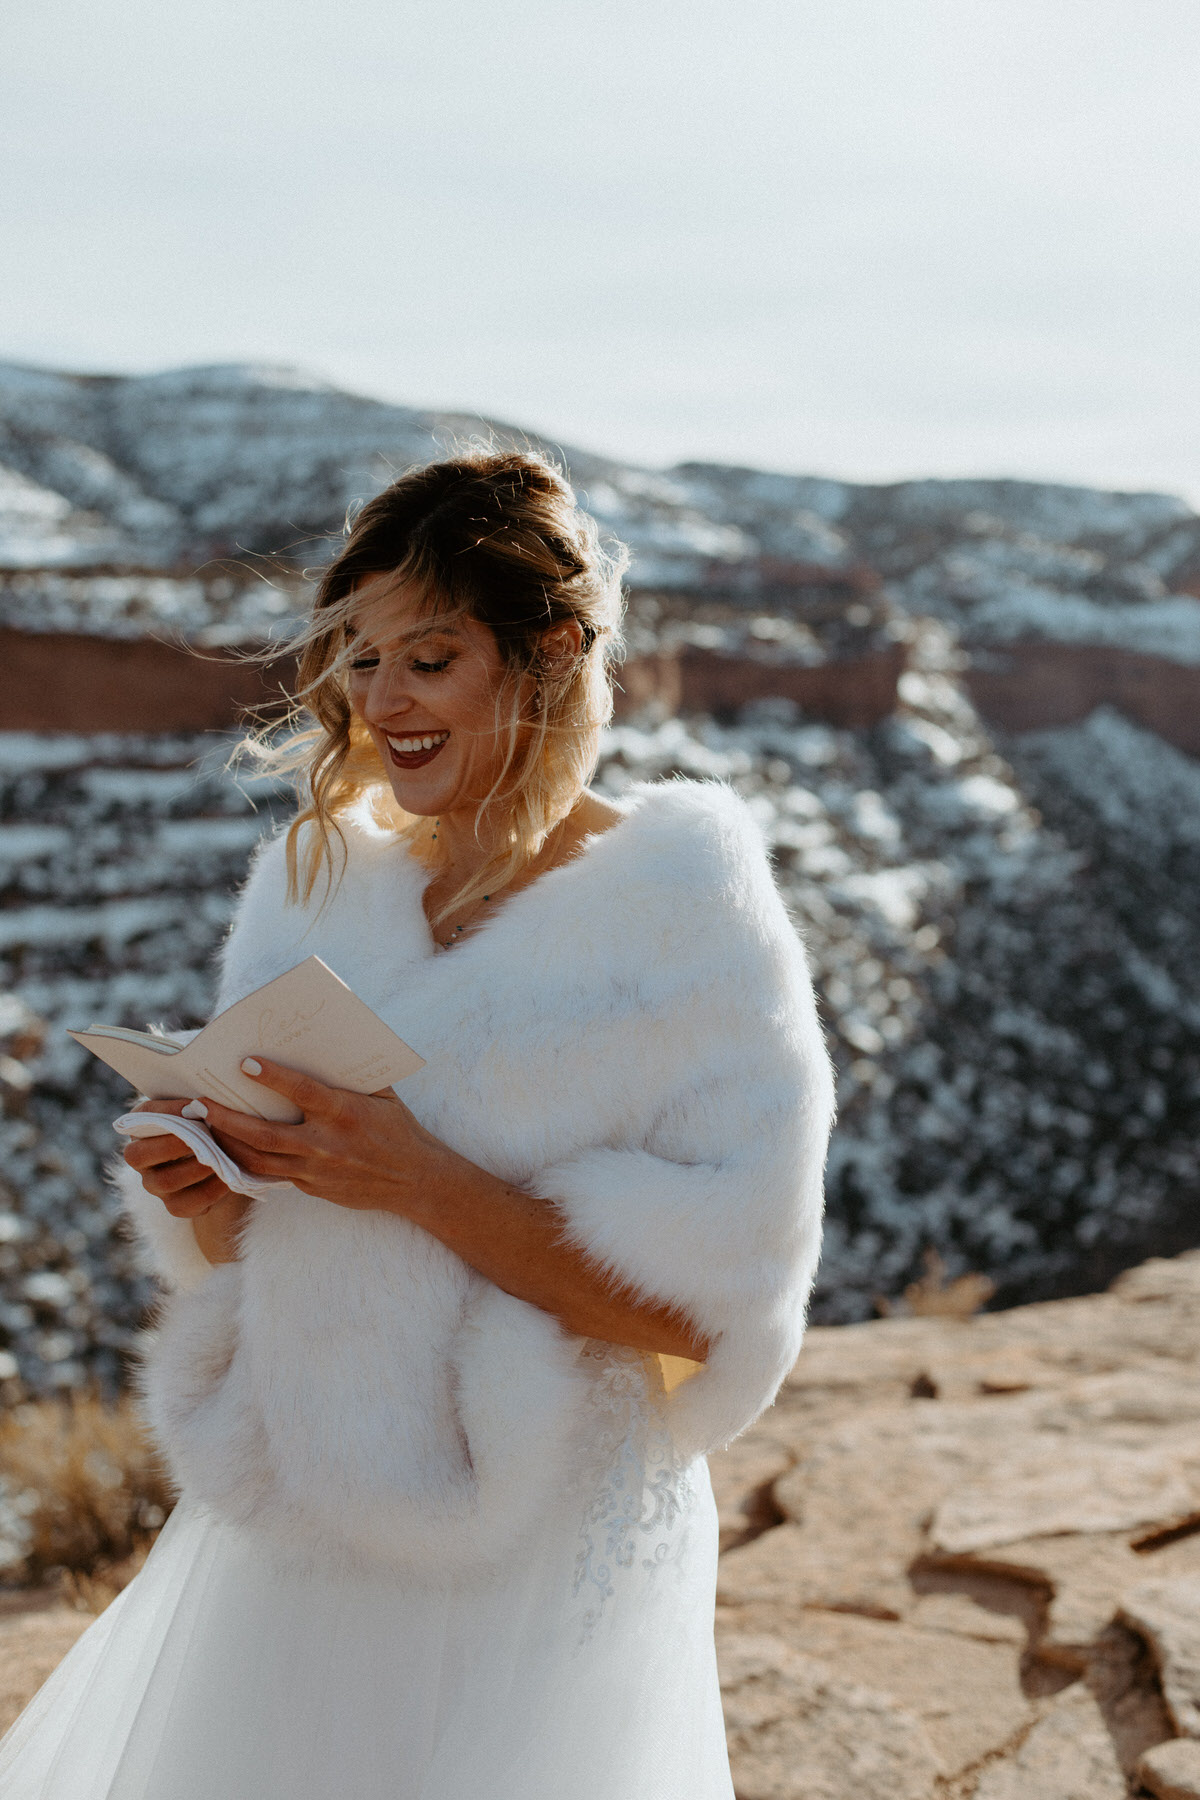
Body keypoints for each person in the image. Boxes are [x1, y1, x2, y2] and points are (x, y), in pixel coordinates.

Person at [0, 449, 835, 1800]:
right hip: (299, 1537)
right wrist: (210, 1194)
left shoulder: (683, 918)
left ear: (546, 651)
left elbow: (714, 1327)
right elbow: (261, 1259)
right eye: (361, 661)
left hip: (537, 1553)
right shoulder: (310, 889)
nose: (379, 705)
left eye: (428, 659)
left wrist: (422, 1182)